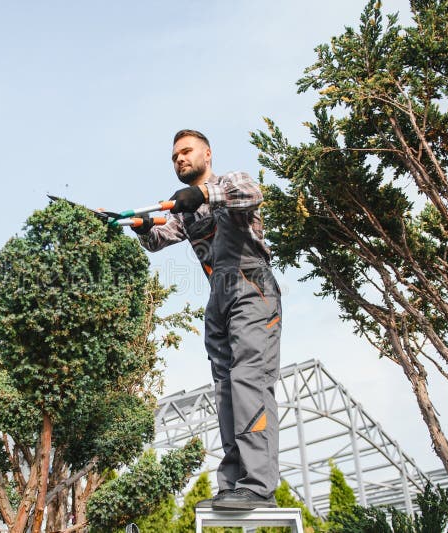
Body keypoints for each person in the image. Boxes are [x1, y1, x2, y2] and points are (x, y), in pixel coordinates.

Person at [132, 129, 281, 510]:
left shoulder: (231, 181)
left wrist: (200, 194)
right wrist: (142, 226)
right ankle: (234, 482)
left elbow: (252, 195)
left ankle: (259, 484)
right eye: (174, 156)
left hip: (252, 287)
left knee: (250, 378)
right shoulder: (184, 211)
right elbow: (158, 241)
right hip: (218, 297)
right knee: (226, 389)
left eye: (186, 151)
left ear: (207, 154)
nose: (180, 159)